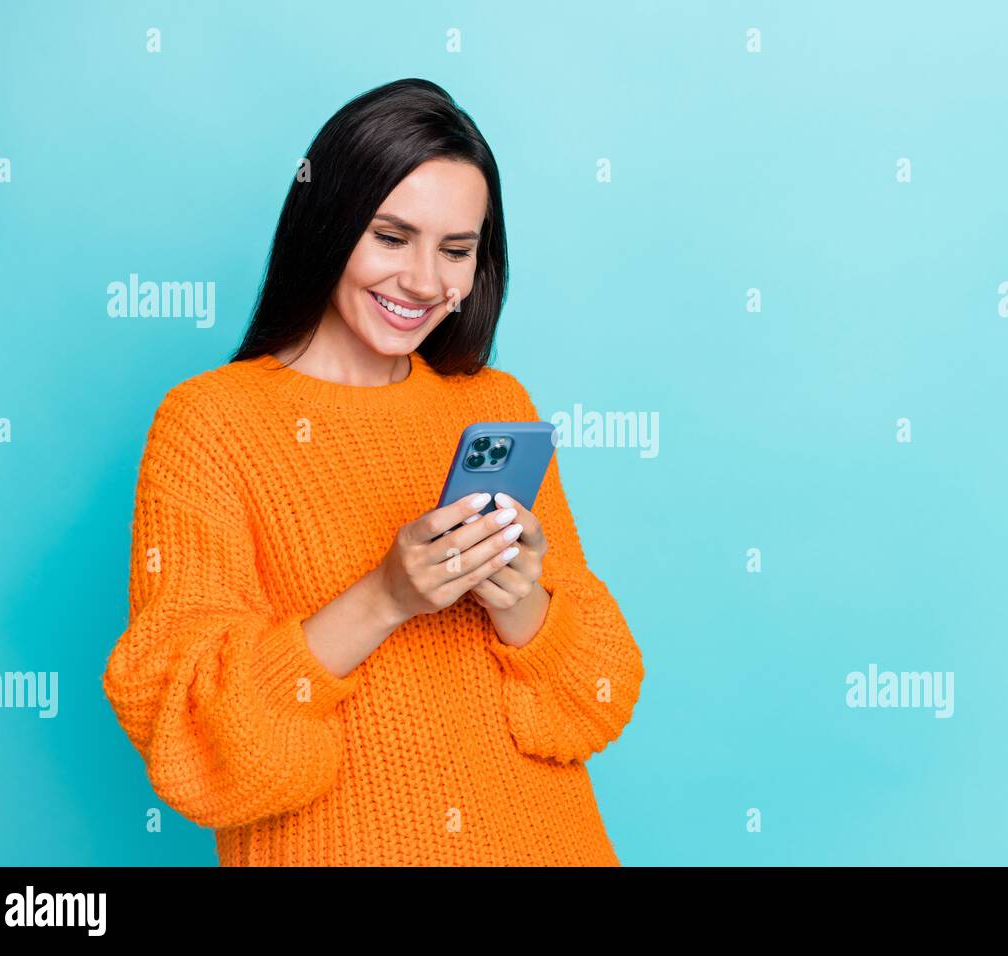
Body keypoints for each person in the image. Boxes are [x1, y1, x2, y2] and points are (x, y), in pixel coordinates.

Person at [101, 78, 645, 866]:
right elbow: (198, 740)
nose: (426, 282)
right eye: (392, 238)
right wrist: (386, 597)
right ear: (327, 227)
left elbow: (595, 699)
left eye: (456, 250)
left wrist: (520, 600)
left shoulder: (493, 404)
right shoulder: (210, 424)